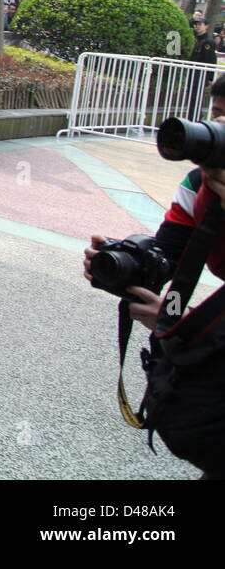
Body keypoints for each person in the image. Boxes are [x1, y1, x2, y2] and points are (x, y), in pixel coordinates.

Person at [83, 82, 225, 479]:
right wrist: (126, 264)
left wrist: (188, 325)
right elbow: (170, 259)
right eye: (217, 114)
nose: (221, 126)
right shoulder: (201, 184)